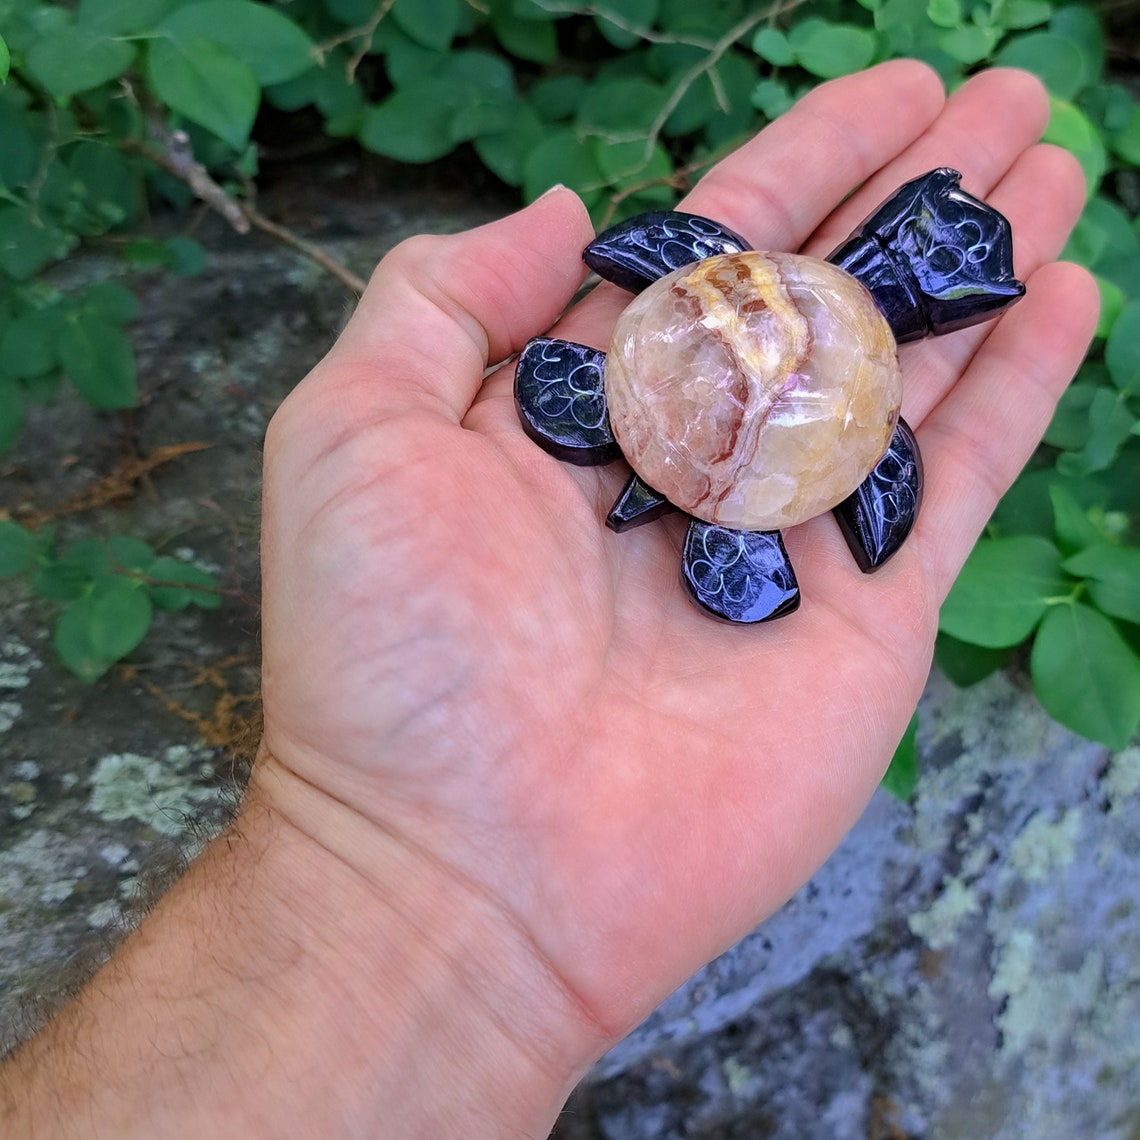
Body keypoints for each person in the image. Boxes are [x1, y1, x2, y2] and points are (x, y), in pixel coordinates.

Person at [0, 60, 1097, 1137]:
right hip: (701, 423)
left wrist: (365, 869)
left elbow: (659, 268)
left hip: (706, 418)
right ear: (948, 311)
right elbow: (871, 480)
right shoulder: (852, 410)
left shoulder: (765, 322)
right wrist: (370, 855)